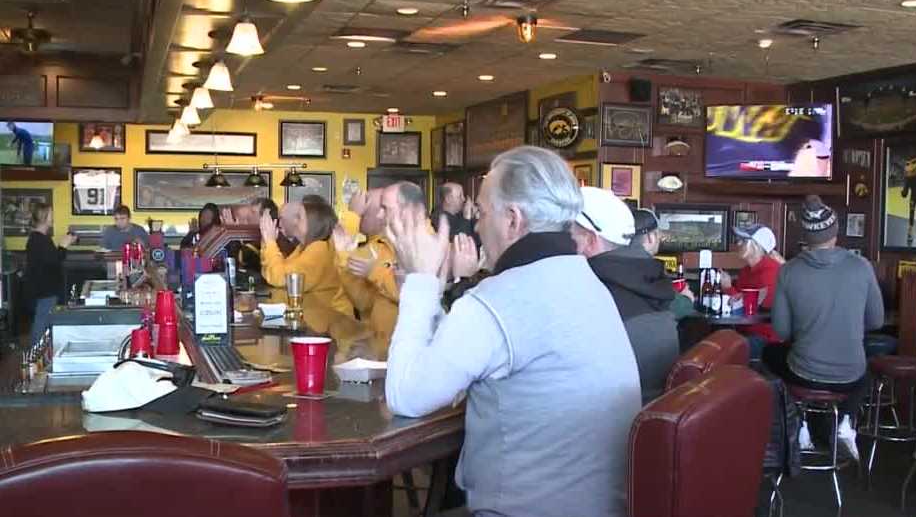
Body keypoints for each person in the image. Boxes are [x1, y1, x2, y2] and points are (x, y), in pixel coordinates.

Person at [384, 146, 641, 517]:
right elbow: (464, 351)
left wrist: (420, 281)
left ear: (512, 220)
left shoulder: (500, 298)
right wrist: (432, 292)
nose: (476, 225)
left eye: (482, 213)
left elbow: (406, 394)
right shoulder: (585, 280)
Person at [765, 195, 884, 460]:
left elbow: (781, 332)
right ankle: (846, 421)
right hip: (851, 375)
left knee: (768, 353)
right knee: (866, 365)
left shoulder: (788, 271)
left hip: (803, 373)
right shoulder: (861, 266)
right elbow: (876, 321)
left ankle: (800, 423)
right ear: (835, 232)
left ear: (805, 236)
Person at [571, 187, 678, 404]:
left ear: (590, 240)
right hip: (651, 406)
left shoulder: (591, 290)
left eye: (567, 235)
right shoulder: (647, 276)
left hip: (612, 416)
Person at [331, 183, 423, 359]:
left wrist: (375, 271)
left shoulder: (425, 242)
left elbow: (412, 294)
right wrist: (344, 259)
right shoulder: (379, 247)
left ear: (407, 211)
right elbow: (364, 302)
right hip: (378, 345)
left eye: (385, 209)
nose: (381, 215)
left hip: (407, 351)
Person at [259, 200, 352, 319]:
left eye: (299, 217)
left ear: (313, 223)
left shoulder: (319, 248)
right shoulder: (304, 247)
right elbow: (271, 274)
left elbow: (280, 278)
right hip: (315, 316)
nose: (295, 222)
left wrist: (270, 242)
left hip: (331, 321)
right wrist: (267, 242)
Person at [719, 224, 783, 358]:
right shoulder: (745, 271)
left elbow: (750, 307)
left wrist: (728, 288)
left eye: (743, 240)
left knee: (722, 353)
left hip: (766, 339)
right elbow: (738, 302)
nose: (738, 243)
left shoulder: (772, 271)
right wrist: (728, 288)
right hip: (745, 332)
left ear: (756, 246)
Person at [630, 208, 695, 320]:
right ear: (651, 238)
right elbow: (673, 308)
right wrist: (687, 299)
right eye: (658, 233)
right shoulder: (649, 269)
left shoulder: (617, 262)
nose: (660, 237)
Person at [25, 204, 76, 344]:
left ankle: (39, 352)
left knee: (43, 321)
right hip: (45, 290)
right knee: (42, 322)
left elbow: (50, 260)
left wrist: (63, 246)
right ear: (44, 217)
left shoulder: (38, 238)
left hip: (44, 289)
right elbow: (54, 260)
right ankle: (35, 354)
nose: (53, 217)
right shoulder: (39, 239)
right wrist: (63, 246)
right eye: (51, 214)